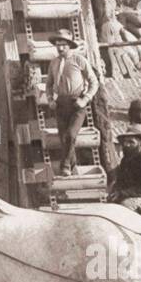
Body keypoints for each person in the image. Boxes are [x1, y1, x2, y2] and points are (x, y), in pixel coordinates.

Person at [47, 33, 100, 177]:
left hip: (77, 104)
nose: (60, 48)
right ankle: (73, 167)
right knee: (64, 137)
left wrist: (85, 99)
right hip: (61, 105)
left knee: (70, 135)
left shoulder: (79, 60)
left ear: (69, 45)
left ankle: (64, 166)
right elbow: (49, 85)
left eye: (63, 45)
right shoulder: (54, 63)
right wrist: (50, 100)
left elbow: (94, 82)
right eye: (58, 45)